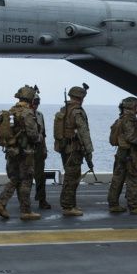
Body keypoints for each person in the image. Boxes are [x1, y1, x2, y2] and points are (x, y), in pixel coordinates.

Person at [0, 85, 42, 221]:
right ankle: (25, 211)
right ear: (30, 98)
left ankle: (1, 204)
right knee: (26, 180)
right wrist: (40, 137)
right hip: (25, 153)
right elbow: (33, 135)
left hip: (11, 151)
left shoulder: (11, 111)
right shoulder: (27, 113)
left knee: (14, 179)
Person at [54, 85, 93, 216]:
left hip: (65, 148)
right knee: (72, 178)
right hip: (74, 150)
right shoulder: (77, 111)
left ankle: (71, 204)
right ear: (81, 98)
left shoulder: (65, 109)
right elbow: (84, 133)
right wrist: (89, 152)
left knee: (70, 176)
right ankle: (68, 207)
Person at [107, 96, 137, 214]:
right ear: (133, 107)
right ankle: (134, 206)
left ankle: (113, 204)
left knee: (118, 179)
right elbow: (131, 137)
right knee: (133, 179)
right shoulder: (130, 120)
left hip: (121, 153)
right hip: (130, 155)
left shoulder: (120, 119)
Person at [30, 95, 50, 210]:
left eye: (38, 102)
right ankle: (24, 201)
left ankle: (42, 200)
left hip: (38, 149)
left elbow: (43, 134)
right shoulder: (25, 115)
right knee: (25, 177)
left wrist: (44, 148)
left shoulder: (39, 115)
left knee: (40, 176)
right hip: (26, 149)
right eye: (34, 102)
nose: (36, 105)